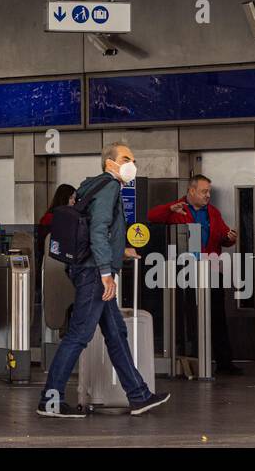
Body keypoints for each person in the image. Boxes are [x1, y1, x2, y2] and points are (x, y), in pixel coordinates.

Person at [38, 143, 170, 418]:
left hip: (90, 269)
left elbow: (95, 230)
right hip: (94, 274)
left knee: (116, 334)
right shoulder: (109, 186)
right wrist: (107, 274)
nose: (131, 163)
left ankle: (139, 396)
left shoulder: (92, 186)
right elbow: (98, 230)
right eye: (125, 158)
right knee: (79, 335)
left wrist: (121, 250)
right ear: (110, 163)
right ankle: (50, 400)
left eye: (132, 159)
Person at [147, 174, 242, 375]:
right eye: (204, 191)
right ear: (191, 191)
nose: (208, 195)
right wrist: (169, 208)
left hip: (212, 270)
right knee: (186, 315)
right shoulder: (177, 209)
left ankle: (224, 362)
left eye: (209, 191)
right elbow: (152, 217)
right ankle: (189, 359)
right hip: (185, 271)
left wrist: (229, 238)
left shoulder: (213, 212)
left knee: (217, 315)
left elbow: (222, 237)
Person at [36, 183, 75, 295]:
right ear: (64, 198)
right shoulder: (52, 218)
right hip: (54, 263)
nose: (73, 201)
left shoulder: (49, 217)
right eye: (71, 197)